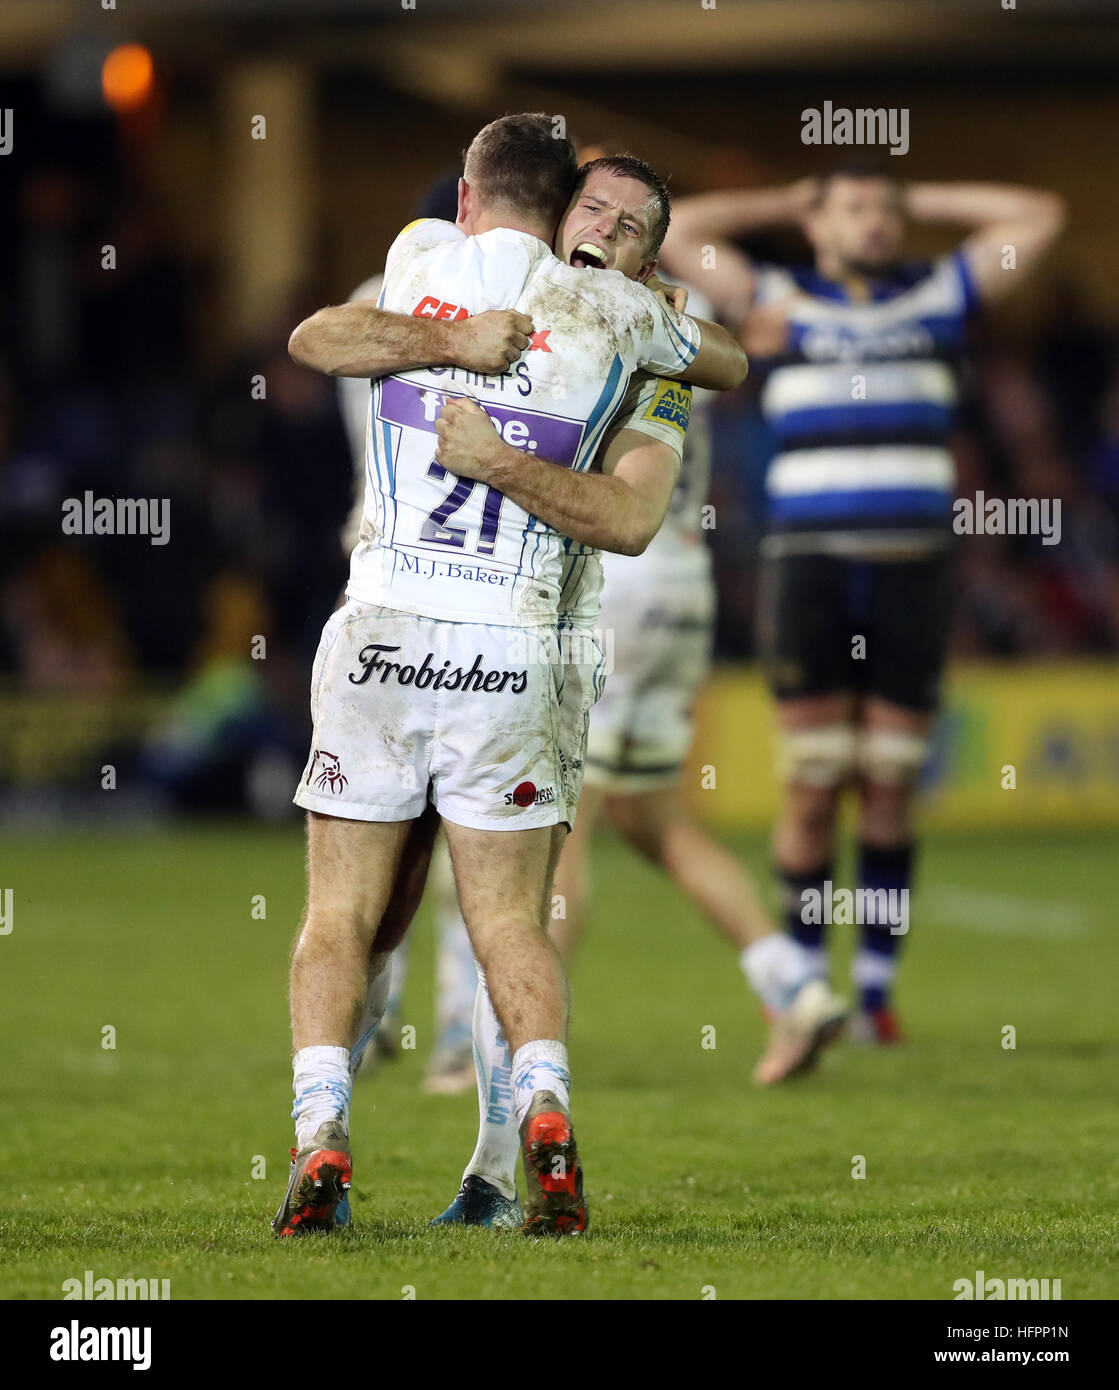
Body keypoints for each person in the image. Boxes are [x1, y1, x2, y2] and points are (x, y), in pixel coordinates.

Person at [274, 115, 747, 1238]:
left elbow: (650, 485)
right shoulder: (549, 302)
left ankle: (474, 1159)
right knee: (436, 914)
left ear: (652, 255)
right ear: (558, 215)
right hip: (491, 651)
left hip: (507, 641)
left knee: (446, 912)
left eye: (638, 230)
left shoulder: (636, 346)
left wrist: (502, 440)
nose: (612, 235)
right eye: (596, 211)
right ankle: (489, 1114)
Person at [659, 164, 1065, 1039]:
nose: (874, 224)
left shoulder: (940, 290)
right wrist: (784, 199)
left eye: (884, 211)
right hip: (806, 567)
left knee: (886, 785)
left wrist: (922, 198)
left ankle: (875, 994)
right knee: (811, 784)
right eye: (853, 209)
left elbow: (1038, 209)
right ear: (816, 224)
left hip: (912, 567)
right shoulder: (774, 294)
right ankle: (808, 994)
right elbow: (672, 227)